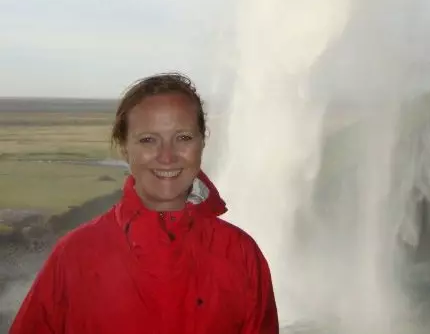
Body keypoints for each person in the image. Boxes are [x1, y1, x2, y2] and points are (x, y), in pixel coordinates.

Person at [10, 73, 279, 334]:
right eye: (148, 140)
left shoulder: (241, 255)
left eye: (183, 137)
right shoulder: (73, 256)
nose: (167, 156)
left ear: (202, 143)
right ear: (125, 147)